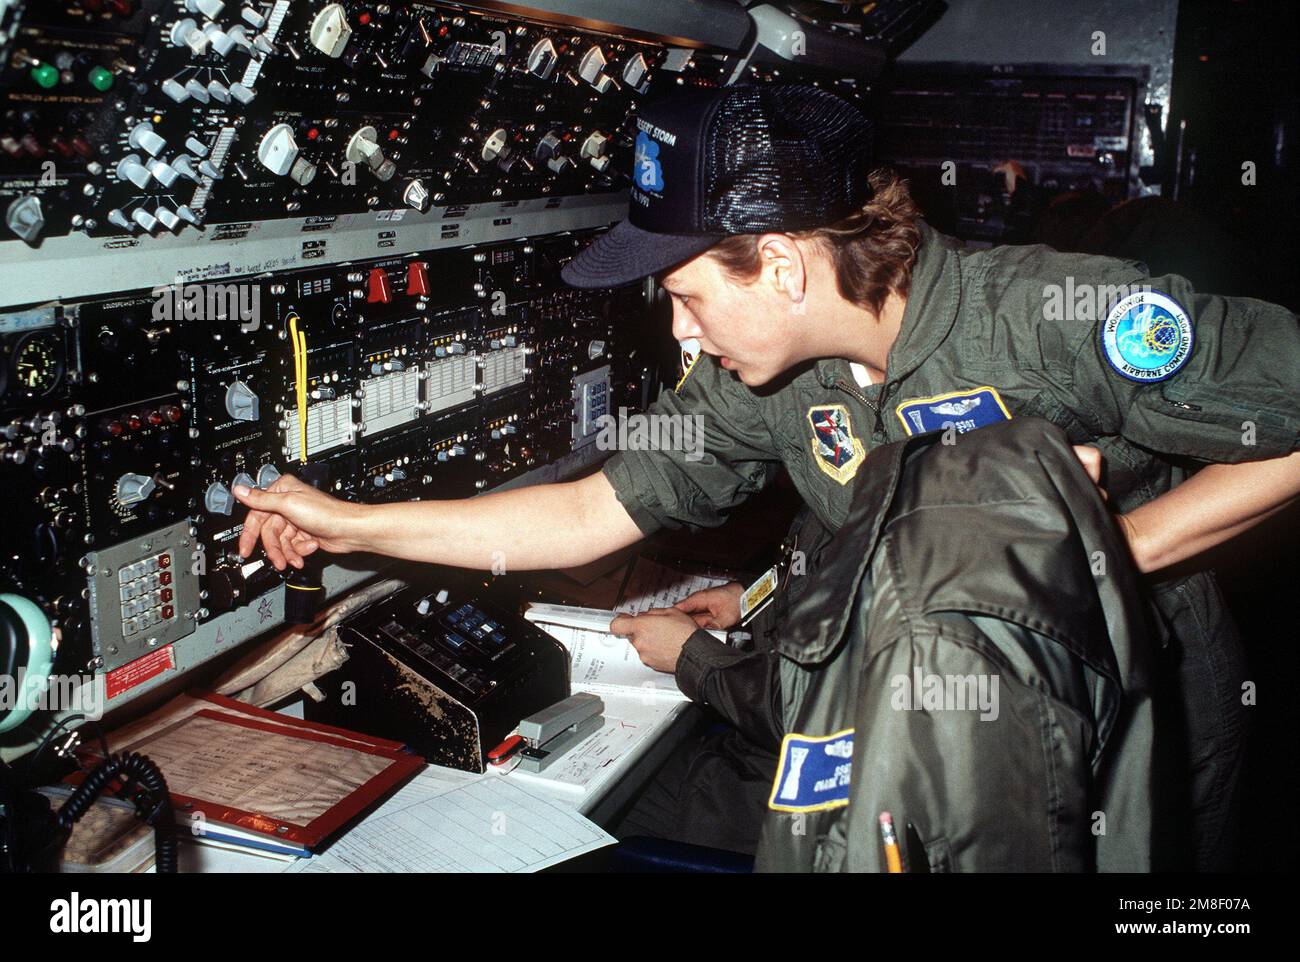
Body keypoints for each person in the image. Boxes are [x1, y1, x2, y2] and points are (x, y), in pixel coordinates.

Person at [234, 84, 1300, 871]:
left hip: (1140, 720)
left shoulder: (1046, 318)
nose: (680, 331)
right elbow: (585, 511)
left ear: (783, 264)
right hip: (928, 728)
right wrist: (346, 522)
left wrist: (1093, 550)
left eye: (688, 294)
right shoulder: (767, 383)